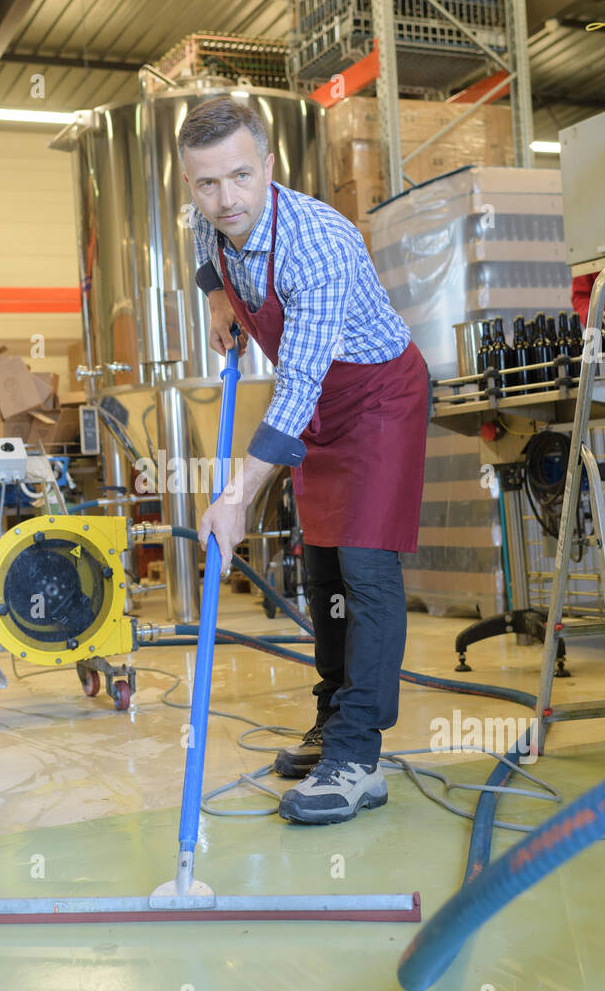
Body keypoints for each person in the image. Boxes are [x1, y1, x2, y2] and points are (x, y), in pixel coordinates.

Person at [178, 96, 430, 826]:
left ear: (268, 166)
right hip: (321, 401)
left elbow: (298, 386)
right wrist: (220, 300)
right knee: (320, 562)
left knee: (365, 564)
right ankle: (331, 722)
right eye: (206, 184)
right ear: (190, 182)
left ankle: (359, 758)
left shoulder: (318, 243)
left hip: (376, 395)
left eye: (240, 177)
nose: (226, 199)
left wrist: (236, 495)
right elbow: (206, 252)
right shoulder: (210, 215)